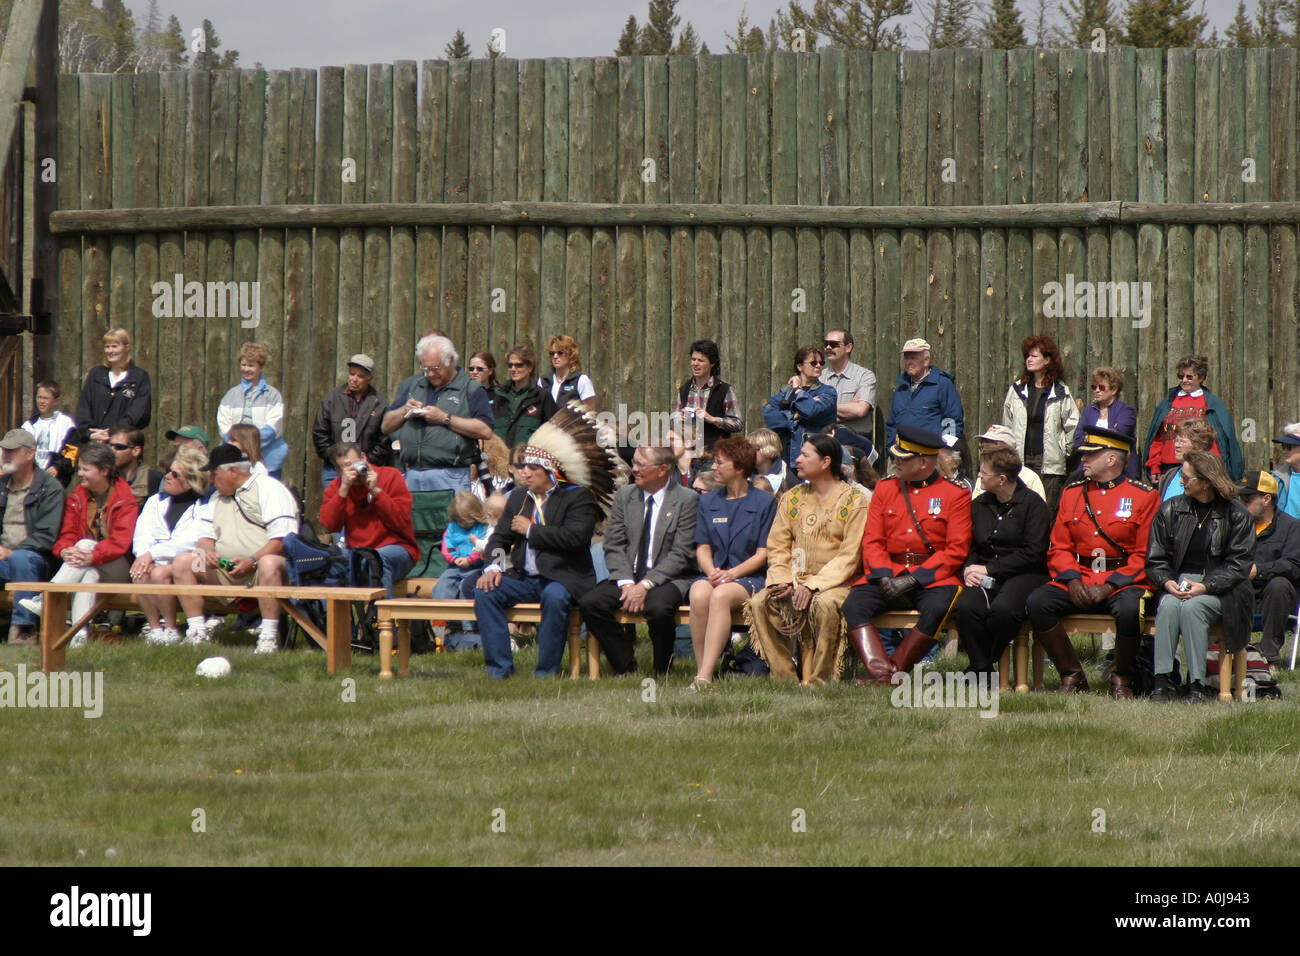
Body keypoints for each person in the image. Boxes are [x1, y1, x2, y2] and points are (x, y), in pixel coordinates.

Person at [474, 405, 615, 679]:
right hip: (525, 578)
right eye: (523, 467)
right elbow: (500, 539)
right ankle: (499, 671)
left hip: (564, 578)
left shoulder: (577, 498)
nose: (524, 473)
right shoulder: (518, 499)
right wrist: (492, 567)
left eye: (531, 468)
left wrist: (531, 531)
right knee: (485, 593)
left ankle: (546, 673)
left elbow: (576, 538)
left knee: (554, 597)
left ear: (550, 471)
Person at [1025, 427, 1159, 698]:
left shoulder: (1144, 496)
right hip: (1081, 575)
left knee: (1130, 609)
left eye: (1090, 455)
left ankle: (1122, 677)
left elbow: (1144, 554)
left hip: (1122, 580)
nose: (1082, 460)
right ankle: (1072, 674)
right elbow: (1059, 546)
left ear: (1112, 459)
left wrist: (1109, 586)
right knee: (1038, 603)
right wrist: (1072, 579)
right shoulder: (1072, 493)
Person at [842, 425, 972, 682]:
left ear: (923, 462)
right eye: (894, 456)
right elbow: (873, 540)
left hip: (933, 577)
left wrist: (912, 579)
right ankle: (882, 673)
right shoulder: (885, 488)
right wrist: (883, 576)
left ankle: (893, 673)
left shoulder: (955, 495)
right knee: (854, 605)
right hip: (889, 572)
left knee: (936, 610)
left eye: (902, 458)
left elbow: (956, 550)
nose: (894, 461)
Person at [747, 434, 870, 685]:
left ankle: (820, 680)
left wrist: (813, 585)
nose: (797, 460)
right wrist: (782, 580)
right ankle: (785, 679)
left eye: (805, 455)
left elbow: (849, 555)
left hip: (837, 583)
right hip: (794, 579)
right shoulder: (791, 498)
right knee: (761, 601)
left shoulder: (855, 501)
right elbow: (778, 546)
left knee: (823, 604)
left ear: (826, 462)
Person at [579, 443, 699, 676]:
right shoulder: (626, 495)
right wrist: (626, 582)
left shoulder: (687, 499)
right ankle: (626, 666)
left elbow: (681, 553)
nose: (633, 469)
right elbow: (613, 544)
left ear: (662, 470)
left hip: (669, 577)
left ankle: (661, 669)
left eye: (640, 465)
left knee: (659, 608)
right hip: (629, 575)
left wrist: (645, 585)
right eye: (634, 462)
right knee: (591, 603)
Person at [1145, 451, 1254, 702]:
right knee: (1169, 606)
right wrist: (1166, 581)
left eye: (1186, 477)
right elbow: (1156, 558)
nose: (1181, 481)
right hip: (1180, 581)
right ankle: (1161, 681)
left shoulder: (1237, 515)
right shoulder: (1171, 509)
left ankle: (1197, 684)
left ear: (1206, 482)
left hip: (1225, 589)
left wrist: (1204, 586)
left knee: (1192, 609)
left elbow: (1238, 566)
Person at [171, 444, 299, 650]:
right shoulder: (215, 498)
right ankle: (197, 631)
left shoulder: (270, 489)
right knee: (184, 563)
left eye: (214, 474)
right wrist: (209, 552)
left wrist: (252, 560)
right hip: (224, 570)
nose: (212, 480)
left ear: (232, 471)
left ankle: (268, 636)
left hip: (265, 571)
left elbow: (282, 539)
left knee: (269, 563)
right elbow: (205, 536)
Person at [20, 442, 138, 649]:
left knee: (84, 545)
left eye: (86, 469)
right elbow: (66, 534)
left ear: (104, 471)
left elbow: (121, 542)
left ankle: (46, 598)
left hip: (118, 567)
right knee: (89, 574)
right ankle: (79, 635)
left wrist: (92, 554)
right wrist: (64, 550)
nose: (80, 473)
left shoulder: (124, 498)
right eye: (80, 468)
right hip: (86, 563)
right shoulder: (77, 496)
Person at [949, 446, 1051, 678]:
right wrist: (968, 570)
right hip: (984, 574)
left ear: (1002, 479)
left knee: (1004, 611)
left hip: (1025, 574)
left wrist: (989, 568)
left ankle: (979, 667)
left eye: (984, 473)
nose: (979, 476)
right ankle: (983, 670)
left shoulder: (1034, 506)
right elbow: (971, 546)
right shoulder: (979, 505)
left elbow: (1034, 553)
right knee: (965, 608)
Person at [687, 437, 778, 690]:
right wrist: (711, 572)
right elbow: (702, 547)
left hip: (751, 577)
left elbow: (763, 554)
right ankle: (703, 668)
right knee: (698, 592)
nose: (713, 467)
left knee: (720, 596)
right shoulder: (707, 502)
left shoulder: (765, 503)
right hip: (715, 574)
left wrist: (731, 573)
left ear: (739, 467)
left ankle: (704, 678)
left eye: (719, 463)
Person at [382, 333, 495, 493]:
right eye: (425, 368)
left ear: (450, 360)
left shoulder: (471, 389)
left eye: (435, 368)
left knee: (450, 519)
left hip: (451, 475)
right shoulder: (414, 386)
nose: (430, 374)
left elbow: (486, 431)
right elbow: (386, 426)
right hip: (413, 474)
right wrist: (404, 410)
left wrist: (445, 418)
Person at [318, 442, 419, 599]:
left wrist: (377, 491)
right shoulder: (336, 487)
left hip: (397, 549)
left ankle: (382, 620)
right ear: (338, 471)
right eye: (347, 467)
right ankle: (336, 623)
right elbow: (330, 524)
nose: (355, 472)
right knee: (330, 566)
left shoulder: (390, 476)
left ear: (364, 457)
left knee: (376, 559)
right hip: (359, 553)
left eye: (355, 464)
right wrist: (343, 490)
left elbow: (400, 521)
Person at [130, 446, 210, 646]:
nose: (167, 476)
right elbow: (142, 533)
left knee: (158, 574)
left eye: (175, 474)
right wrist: (143, 556)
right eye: (169, 471)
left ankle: (172, 629)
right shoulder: (154, 501)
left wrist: (152, 554)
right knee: (140, 572)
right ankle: (156, 629)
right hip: (153, 560)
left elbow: (191, 541)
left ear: (191, 481)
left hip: (189, 563)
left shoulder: (205, 505)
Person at [0, 430, 65, 645]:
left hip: (37, 560)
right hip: (3, 558)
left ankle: (24, 630)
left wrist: (12, 552)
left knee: (21, 559)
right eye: (4, 449)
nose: (5, 454)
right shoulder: (2, 486)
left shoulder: (50, 488)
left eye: (12, 450)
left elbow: (47, 535)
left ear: (30, 454)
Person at [1001, 334, 1078, 511]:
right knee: (1017, 507)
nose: (1029, 359)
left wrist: (1062, 450)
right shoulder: (1017, 390)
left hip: (1049, 464)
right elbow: (1007, 422)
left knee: (1045, 510)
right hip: (1019, 460)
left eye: (1034, 356)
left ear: (1047, 361)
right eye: (1027, 356)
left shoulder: (1060, 392)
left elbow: (1073, 425)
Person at [1144, 354, 1243, 482]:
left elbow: (1218, 441)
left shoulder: (1211, 404)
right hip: (1168, 469)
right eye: (1181, 376)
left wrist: (1213, 470)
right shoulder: (1167, 403)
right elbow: (1157, 438)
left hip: (1199, 469)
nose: (1184, 380)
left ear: (1201, 377)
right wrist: (1154, 466)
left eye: (1189, 377)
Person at [1237, 471, 1300, 667]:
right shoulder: (1237, 526)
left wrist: (1259, 570)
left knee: (1279, 584)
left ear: (1266, 499)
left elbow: (1293, 566)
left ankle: (1268, 655)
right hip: (1242, 593)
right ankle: (1219, 652)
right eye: (1240, 497)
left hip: (1274, 598)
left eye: (1247, 498)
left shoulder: (1292, 527)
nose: (1241, 502)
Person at [312, 354, 390, 484]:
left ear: (369, 378)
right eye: (352, 374)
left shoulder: (380, 403)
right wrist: (336, 459)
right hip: (334, 470)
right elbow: (320, 432)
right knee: (335, 503)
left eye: (360, 376)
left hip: (366, 468)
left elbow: (384, 440)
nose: (354, 379)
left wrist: (366, 460)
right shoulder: (332, 398)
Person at [216, 342, 289, 479]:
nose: (246, 369)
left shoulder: (273, 396)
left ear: (260, 367)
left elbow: (273, 428)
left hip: (268, 459)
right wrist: (237, 447)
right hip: (235, 459)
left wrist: (250, 446)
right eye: (243, 365)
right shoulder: (230, 396)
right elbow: (224, 426)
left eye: (251, 365)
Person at [761, 346, 838, 474]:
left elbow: (810, 411)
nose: (819, 366)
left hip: (814, 456)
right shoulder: (785, 392)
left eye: (821, 363)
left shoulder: (828, 392)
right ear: (800, 366)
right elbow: (769, 415)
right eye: (814, 362)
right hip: (786, 455)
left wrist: (797, 390)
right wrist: (793, 416)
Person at [431, 491, 491, 646]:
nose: (463, 524)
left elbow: (483, 547)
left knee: (466, 589)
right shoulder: (452, 527)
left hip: (475, 567)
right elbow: (446, 546)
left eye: (466, 521)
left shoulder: (482, 528)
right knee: (442, 585)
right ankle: (442, 624)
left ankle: (468, 627)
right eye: (459, 521)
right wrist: (453, 558)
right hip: (454, 566)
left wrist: (470, 559)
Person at [884, 337, 964, 451]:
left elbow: (952, 422)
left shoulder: (942, 385)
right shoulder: (901, 388)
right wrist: (891, 448)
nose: (908, 362)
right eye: (906, 358)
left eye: (913, 358)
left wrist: (943, 452)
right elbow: (892, 424)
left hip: (930, 456)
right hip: (900, 456)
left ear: (926, 360)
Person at [74, 328, 152, 443]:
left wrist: (111, 432)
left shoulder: (139, 377)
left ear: (127, 347)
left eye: (115, 346)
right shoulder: (96, 374)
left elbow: (138, 413)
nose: (110, 350)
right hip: (93, 444)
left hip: (122, 445)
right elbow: (83, 407)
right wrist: (90, 433)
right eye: (107, 346)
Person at [672, 339, 742, 462]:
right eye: (693, 359)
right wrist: (679, 418)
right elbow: (674, 420)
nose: (695, 364)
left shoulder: (724, 390)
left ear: (712, 363)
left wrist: (713, 419)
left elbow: (737, 424)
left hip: (714, 456)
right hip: (688, 455)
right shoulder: (684, 389)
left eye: (701, 360)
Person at [1074, 366, 1138, 479]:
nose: (1096, 390)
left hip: (1119, 468)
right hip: (1090, 467)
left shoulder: (1126, 411)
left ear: (1114, 390)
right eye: (1094, 387)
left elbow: (1117, 437)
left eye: (1101, 387)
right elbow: (1078, 438)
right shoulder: (1088, 411)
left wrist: (1090, 441)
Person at [820, 328, 877, 439]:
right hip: (825, 442)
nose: (828, 347)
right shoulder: (819, 377)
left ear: (848, 347)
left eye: (833, 344)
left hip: (856, 441)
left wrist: (822, 408)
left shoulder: (865, 376)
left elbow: (860, 410)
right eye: (826, 343)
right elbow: (810, 413)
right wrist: (849, 410)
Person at [972, 424, 1045, 500]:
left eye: (989, 448)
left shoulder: (1030, 478)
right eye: (982, 447)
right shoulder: (983, 477)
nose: (983, 452)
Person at [22, 380, 77, 482]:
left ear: (56, 401)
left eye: (46, 398)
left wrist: (58, 467)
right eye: (39, 397)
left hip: (57, 479)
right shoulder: (28, 425)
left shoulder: (65, 424)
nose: (41, 401)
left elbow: (72, 451)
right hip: (32, 478)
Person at [494, 345, 544, 447]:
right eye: (510, 365)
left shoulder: (541, 396)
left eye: (519, 365)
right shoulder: (499, 395)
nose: (513, 369)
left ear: (530, 367)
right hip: (501, 459)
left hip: (528, 460)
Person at [538, 334, 597, 420]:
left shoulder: (581, 380)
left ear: (570, 354)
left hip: (572, 431)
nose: (555, 356)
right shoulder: (543, 381)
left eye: (560, 353)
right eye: (552, 353)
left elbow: (590, 415)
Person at [1156, 418, 1215, 501]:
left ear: (1198, 445)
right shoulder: (1168, 476)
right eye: (1176, 441)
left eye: (1182, 442)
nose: (1177, 445)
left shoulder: (1209, 477)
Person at [108, 427, 162, 509]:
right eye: (110, 447)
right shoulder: (106, 478)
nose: (112, 451)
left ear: (136, 451)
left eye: (119, 447)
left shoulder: (154, 480)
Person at [1271, 424, 1300, 519]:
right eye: (1284, 446)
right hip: (1284, 532)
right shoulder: (1276, 478)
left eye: (1289, 446)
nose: (1285, 451)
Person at [749, 428, 787, 494]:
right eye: (748, 448)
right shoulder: (744, 475)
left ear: (769, 450)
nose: (750, 453)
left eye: (755, 449)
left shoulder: (786, 478)